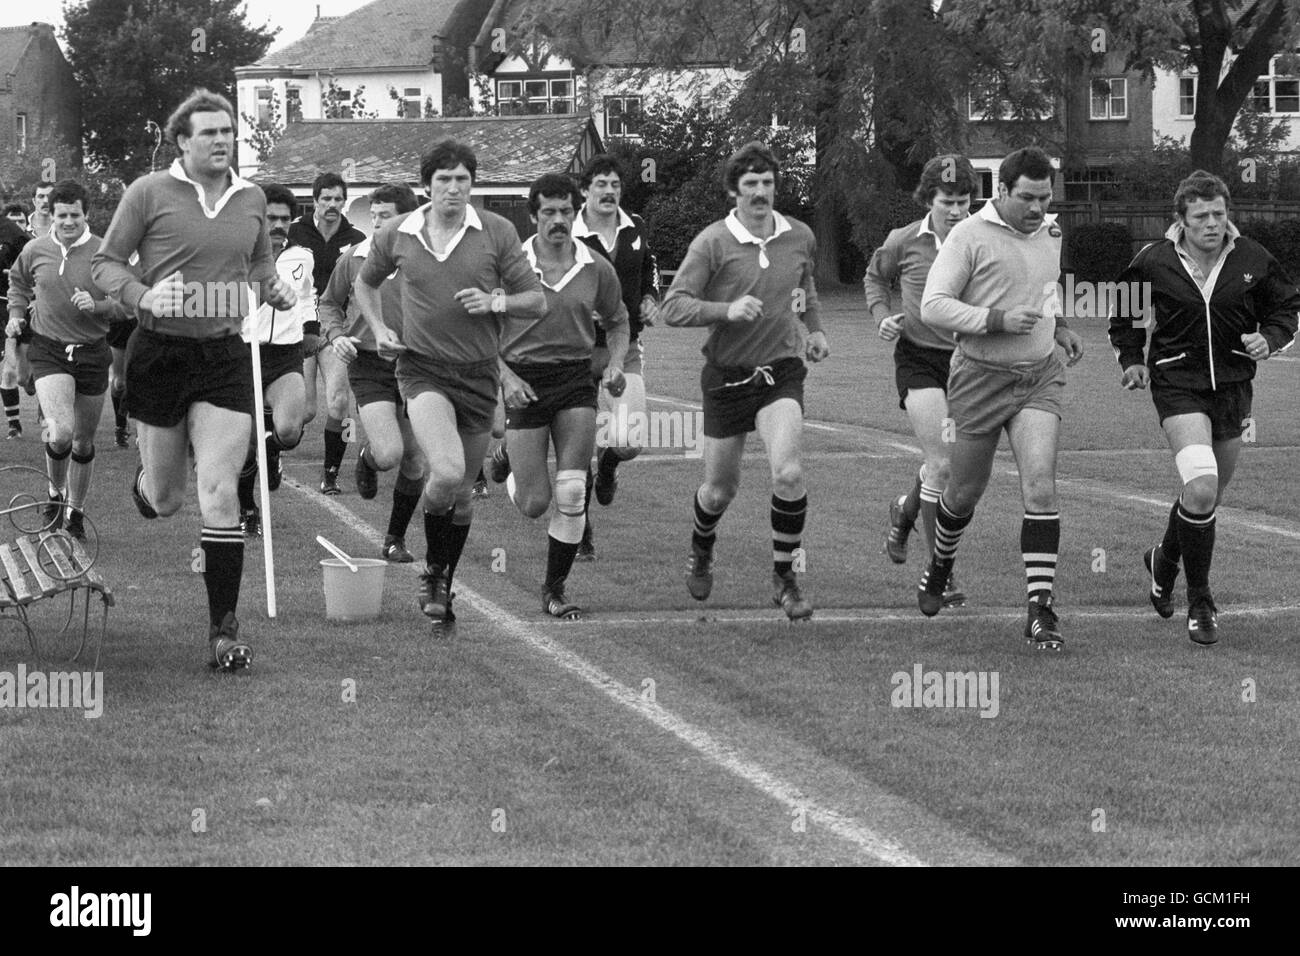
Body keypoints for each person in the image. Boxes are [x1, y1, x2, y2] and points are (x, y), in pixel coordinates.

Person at [92, 89, 297, 672]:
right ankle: (146, 482)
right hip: (158, 353)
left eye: (227, 130)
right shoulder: (147, 192)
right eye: (208, 133)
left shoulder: (252, 197)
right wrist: (142, 294)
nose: (221, 140)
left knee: (220, 491)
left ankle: (223, 631)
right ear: (182, 141)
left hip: (224, 356)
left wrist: (272, 284)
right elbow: (106, 264)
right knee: (166, 500)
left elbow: (258, 264)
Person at [354, 139, 545, 628]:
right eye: (444, 180)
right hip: (422, 371)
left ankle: (439, 578)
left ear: (472, 185)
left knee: (460, 494)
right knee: (445, 472)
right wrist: (378, 331)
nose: (454, 189)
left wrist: (495, 301)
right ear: (427, 186)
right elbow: (364, 283)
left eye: (462, 180)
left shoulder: (497, 232)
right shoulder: (399, 232)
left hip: (479, 375)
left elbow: (535, 300)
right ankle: (432, 576)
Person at [1108, 170, 1299, 645]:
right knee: (1202, 484)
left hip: (1233, 387)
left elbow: (1286, 309)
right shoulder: (1153, 260)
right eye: (1202, 216)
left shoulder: (1253, 257)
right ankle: (1200, 601)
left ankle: (1163, 558)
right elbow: (1126, 316)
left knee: (1203, 498)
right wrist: (1133, 360)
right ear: (1181, 219)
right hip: (1177, 384)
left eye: (1219, 214)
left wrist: (1269, 338)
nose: (1213, 223)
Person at [918, 146, 1084, 650]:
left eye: (1045, 198)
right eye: (1028, 198)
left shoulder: (1052, 232)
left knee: (1040, 486)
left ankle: (1040, 609)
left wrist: (1061, 328)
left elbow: (1044, 291)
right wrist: (995, 319)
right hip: (979, 378)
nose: (1037, 209)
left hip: (1039, 377)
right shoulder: (969, 236)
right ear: (1003, 192)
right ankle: (941, 563)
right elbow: (933, 306)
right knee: (964, 493)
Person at [661, 141, 829, 620]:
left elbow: (806, 286)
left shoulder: (799, 235)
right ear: (733, 190)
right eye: (750, 184)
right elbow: (673, 306)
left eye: (767, 183)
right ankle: (701, 546)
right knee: (719, 490)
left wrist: (813, 329)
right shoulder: (712, 242)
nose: (760, 192)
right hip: (726, 376)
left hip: (781, 370)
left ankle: (785, 579)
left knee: (789, 472)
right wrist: (725, 310)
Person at [501, 173, 628, 618]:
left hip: (575, 380)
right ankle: (505, 460)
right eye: (549, 212)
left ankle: (554, 589)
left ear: (576, 214)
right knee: (535, 504)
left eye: (566, 212)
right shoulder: (509, 265)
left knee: (573, 491)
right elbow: (476, 331)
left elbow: (617, 319)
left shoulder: (595, 267)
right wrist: (504, 377)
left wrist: (613, 363)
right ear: (533, 215)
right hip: (524, 380)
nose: (558, 220)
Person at [864, 154, 977, 608]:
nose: (955, 211)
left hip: (970, 363)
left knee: (953, 470)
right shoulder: (903, 240)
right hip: (919, 360)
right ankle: (941, 573)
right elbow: (875, 277)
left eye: (963, 201)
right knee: (943, 465)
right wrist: (881, 317)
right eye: (946, 201)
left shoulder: (981, 239)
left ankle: (906, 509)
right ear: (928, 199)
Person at [5, 179, 124, 540]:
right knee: (60, 434)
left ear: (86, 214)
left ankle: (75, 512)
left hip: (91, 351)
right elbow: (18, 283)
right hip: (49, 348)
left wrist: (98, 305)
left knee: (83, 443)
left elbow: (127, 302)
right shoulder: (36, 249)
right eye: (61, 215)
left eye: (75, 214)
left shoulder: (105, 252)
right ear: (50, 215)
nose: (68, 221)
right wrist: (15, 312)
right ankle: (55, 496)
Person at [320, 181, 427, 563]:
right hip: (370, 365)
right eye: (375, 216)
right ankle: (368, 457)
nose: (378, 223)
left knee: (416, 460)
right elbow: (329, 303)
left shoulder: (428, 256)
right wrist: (336, 337)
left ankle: (394, 539)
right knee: (391, 453)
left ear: (409, 219)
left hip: (419, 365)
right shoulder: (353, 257)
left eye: (387, 216)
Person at [236, 183, 315, 537]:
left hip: (285, 354)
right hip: (243, 352)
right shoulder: (236, 256)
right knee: (244, 442)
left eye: (284, 218)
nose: (278, 225)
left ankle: (273, 452)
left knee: (289, 430)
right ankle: (247, 508)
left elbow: (308, 296)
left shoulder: (302, 257)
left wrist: (311, 329)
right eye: (271, 218)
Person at [289, 172, 366, 495]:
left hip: (335, 328)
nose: (332, 205)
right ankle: (273, 453)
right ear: (315, 200)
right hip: (298, 326)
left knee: (338, 403)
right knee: (303, 411)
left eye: (338, 199)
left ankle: (330, 474)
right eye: (326, 199)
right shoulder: (295, 232)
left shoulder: (357, 238)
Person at [0, 213, 30, 437]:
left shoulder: (14, 234)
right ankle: (14, 425)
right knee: (8, 370)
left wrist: (15, 274)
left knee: (22, 376)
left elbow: (31, 267)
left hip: (15, 305)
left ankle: (32, 380)